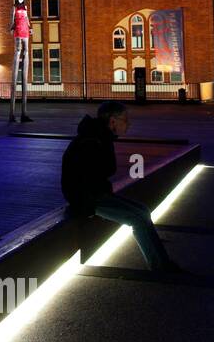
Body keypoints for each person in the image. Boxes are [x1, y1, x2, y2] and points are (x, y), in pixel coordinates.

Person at [61, 101, 183, 273]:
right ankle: (160, 267)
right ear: (112, 121)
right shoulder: (93, 140)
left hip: (95, 193)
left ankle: (159, 259)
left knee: (142, 210)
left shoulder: (99, 136)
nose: (129, 124)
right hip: (87, 199)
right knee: (138, 218)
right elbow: (85, 179)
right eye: (125, 120)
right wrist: (90, 207)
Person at [8, 0, 32, 123]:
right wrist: (11, 27)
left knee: (26, 49)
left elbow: (27, 18)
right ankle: (12, 114)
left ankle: (24, 113)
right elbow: (12, 18)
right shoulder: (15, 7)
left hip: (25, 29)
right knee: (18, 49)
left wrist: (30, 27)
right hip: (18, 28)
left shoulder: (25, 7)